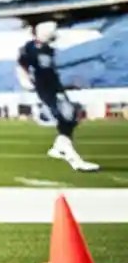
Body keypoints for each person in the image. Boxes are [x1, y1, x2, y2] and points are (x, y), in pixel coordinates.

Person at [16, 21, 99, 172]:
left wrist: (66, 85)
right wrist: (25, 80)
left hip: (55, 86)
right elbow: (22, 65)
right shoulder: (30, 48)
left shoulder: (48, 50)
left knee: (70, 116)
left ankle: (60, 146)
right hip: (45, 88)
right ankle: (69, 153)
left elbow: (50, 71)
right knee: (67, 116)